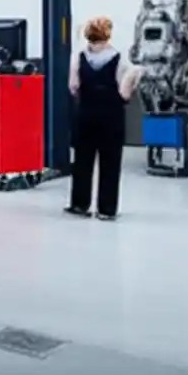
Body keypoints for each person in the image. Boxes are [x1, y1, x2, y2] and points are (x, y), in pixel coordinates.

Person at [66, 16, 142, 221]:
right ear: (108, 34)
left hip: (85, 115)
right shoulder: (121, 59)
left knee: (82, 161)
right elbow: (125, 93)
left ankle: (80, 204)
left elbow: (73, 86)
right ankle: (106, 209)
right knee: (110, 162)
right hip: (111, 117)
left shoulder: (78, 57)